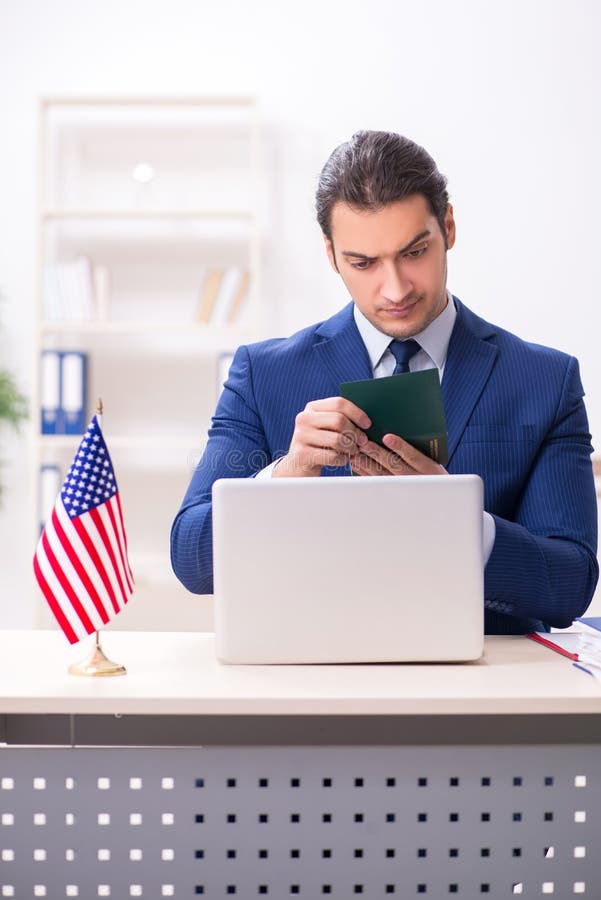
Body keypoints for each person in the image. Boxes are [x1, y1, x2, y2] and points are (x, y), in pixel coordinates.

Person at [171, 130, 598, 633]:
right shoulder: (262, 375)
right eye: (363, 263)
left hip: (484, 688)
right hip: (310, 678)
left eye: (414, 252)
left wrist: (457, 519)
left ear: (449, 229)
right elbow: (191, 559)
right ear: (332, 256)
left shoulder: (545, 381)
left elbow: (570, 584)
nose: (394, 288)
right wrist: (286, 478)